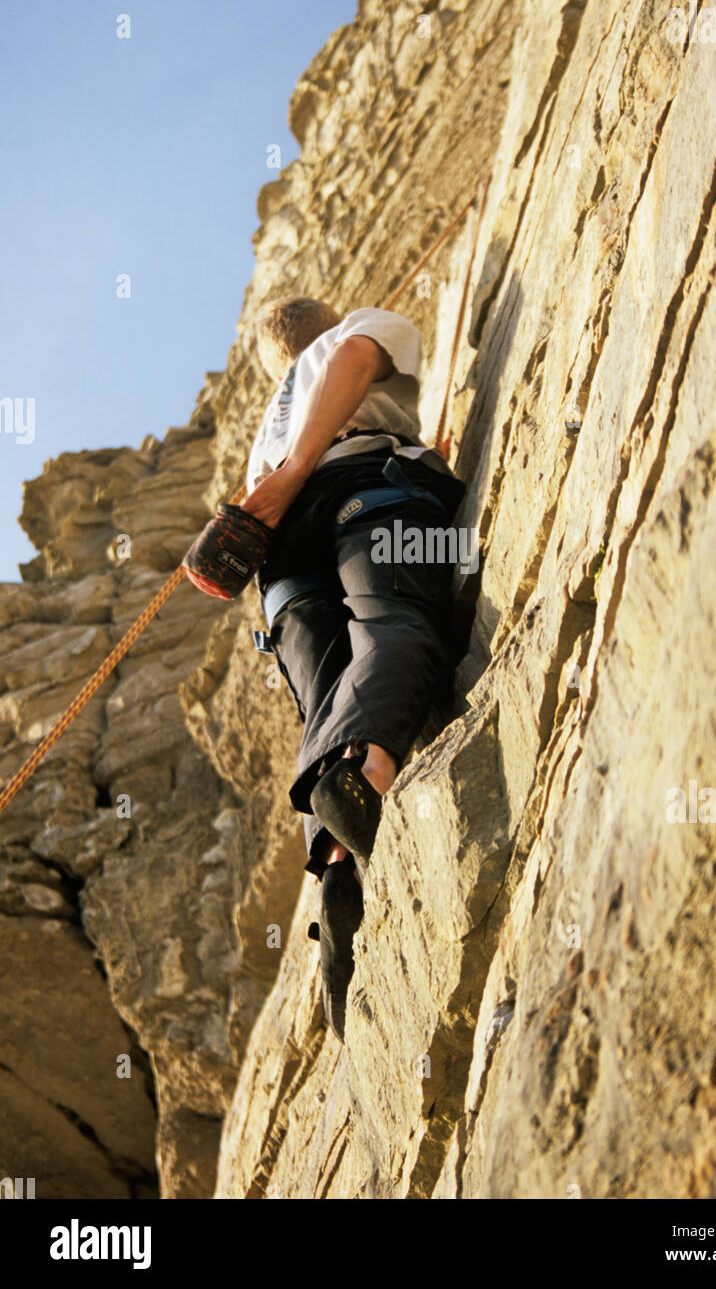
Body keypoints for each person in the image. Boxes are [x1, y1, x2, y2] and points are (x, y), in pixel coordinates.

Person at [242, 297, 466, 1040]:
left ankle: (336, 859)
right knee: (397, 623)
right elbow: (354, 362)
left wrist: (284, 471)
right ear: (325, 319)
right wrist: (307, 461)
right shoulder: (346, 335)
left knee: (328, 700)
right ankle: (360, 782)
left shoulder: (263, 431)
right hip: (361, 489)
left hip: (281, 575)